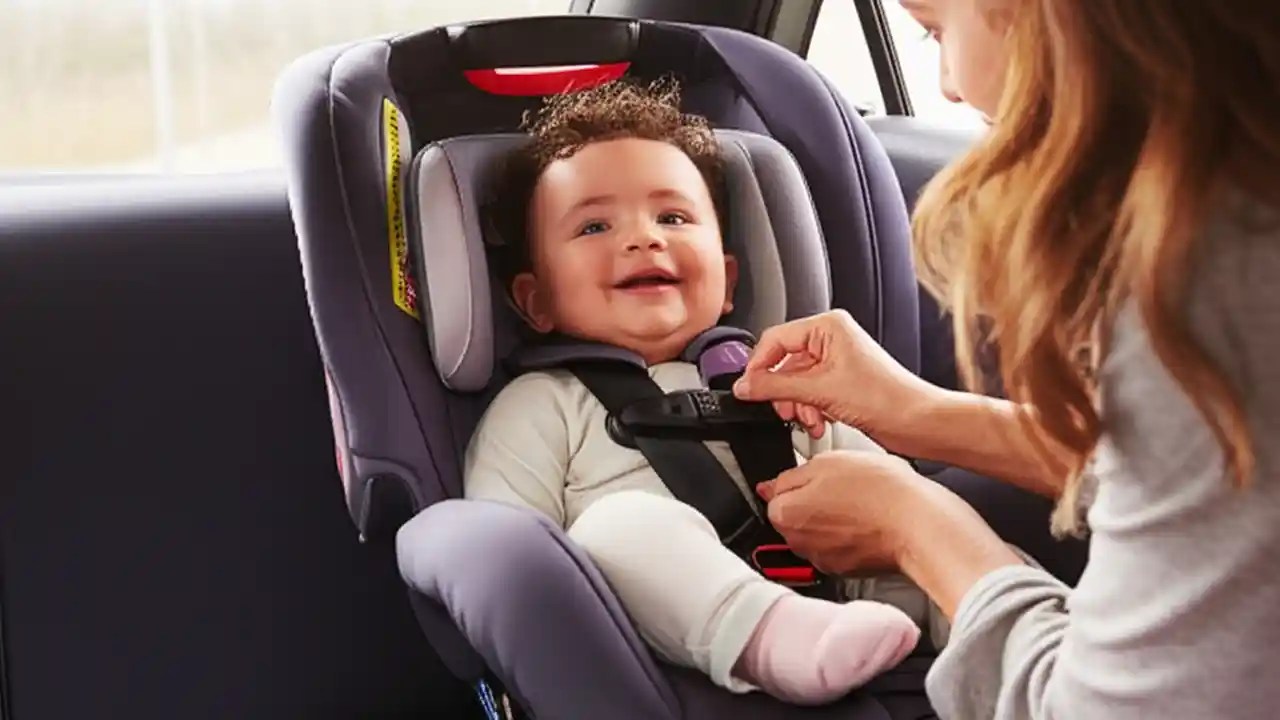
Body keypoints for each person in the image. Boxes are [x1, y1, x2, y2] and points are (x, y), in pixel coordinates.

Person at [730, 1, 1280, 718]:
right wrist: (917, 413)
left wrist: (916, 526)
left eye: (935, 29)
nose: (949, 84)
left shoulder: (1212, 282)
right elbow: (1221, 478)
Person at [463, 78, 925, 706]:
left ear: (728, 281)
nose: (643, 238)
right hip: (652, 645)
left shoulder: (781, 378)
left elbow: (891, 493)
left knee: (927, 524)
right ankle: (768, 638)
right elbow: (510, 560)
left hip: (846, 597)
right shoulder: (543, 404)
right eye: (595, 225)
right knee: (617, 528)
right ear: (534, 301)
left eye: (673, 217)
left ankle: (1017, 630)